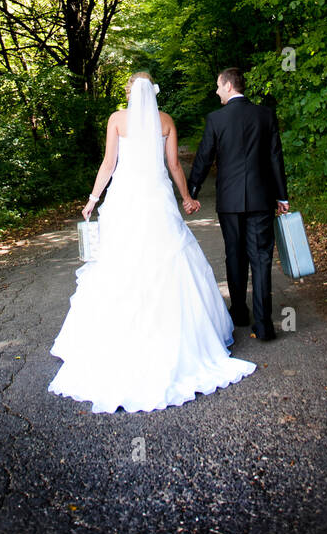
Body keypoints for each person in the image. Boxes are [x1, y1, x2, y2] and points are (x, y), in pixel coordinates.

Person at [48, 72, 256, 413]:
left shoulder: (117, 120)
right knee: (167, 261)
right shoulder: (165, 121)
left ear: (131, 91)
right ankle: (180, 343)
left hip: (125, 201)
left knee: (122, 264)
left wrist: (92, 199)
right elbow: (174, 164)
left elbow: (108, 164)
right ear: (153, 92)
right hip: (157, 199)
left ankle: (113, 346)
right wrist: (187, 197)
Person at [188, 67, 289, 341]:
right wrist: (282, 196)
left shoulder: (216, 119)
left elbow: (204, 157)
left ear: (229, 86)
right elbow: (275, 158)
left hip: (230, 201)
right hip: (261, 198)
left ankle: (240, 313)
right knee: (261, 257)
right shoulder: (265, 115)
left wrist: (192, 191)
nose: (216, 91)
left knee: (235, 255)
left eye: (219, 87)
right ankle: (265, 324)